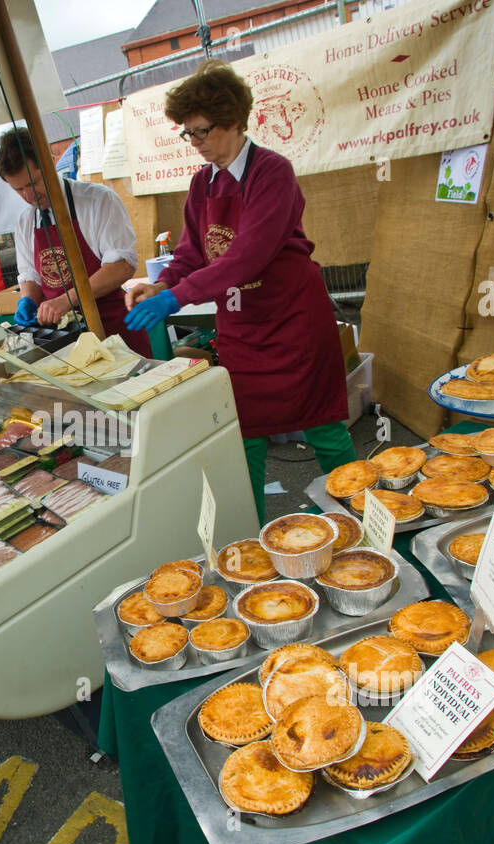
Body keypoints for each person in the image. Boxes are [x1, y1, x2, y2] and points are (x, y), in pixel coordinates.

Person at [124, 61, 357, 524]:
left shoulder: (273, 173)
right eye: (187, 134)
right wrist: (163, 283)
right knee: (244, 432)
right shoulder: (201, 183)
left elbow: (246, 256)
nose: (195, 142)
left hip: (293, 321)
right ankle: (249, 535)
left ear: (233, 121)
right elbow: (192, 251)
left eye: (201, 131)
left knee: (324, 425)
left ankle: (361, 517)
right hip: (243, 327)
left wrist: (178, 298)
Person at [0, 126, 151, 356]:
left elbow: (121, 266)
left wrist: (65, 301)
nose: (28, 196)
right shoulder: (25, 221)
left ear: (49, 163)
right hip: (65, 342)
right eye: (19, 189)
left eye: (33, 183)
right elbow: (31, 277)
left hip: (114, 333)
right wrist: (27, 300)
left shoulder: (97, 200)